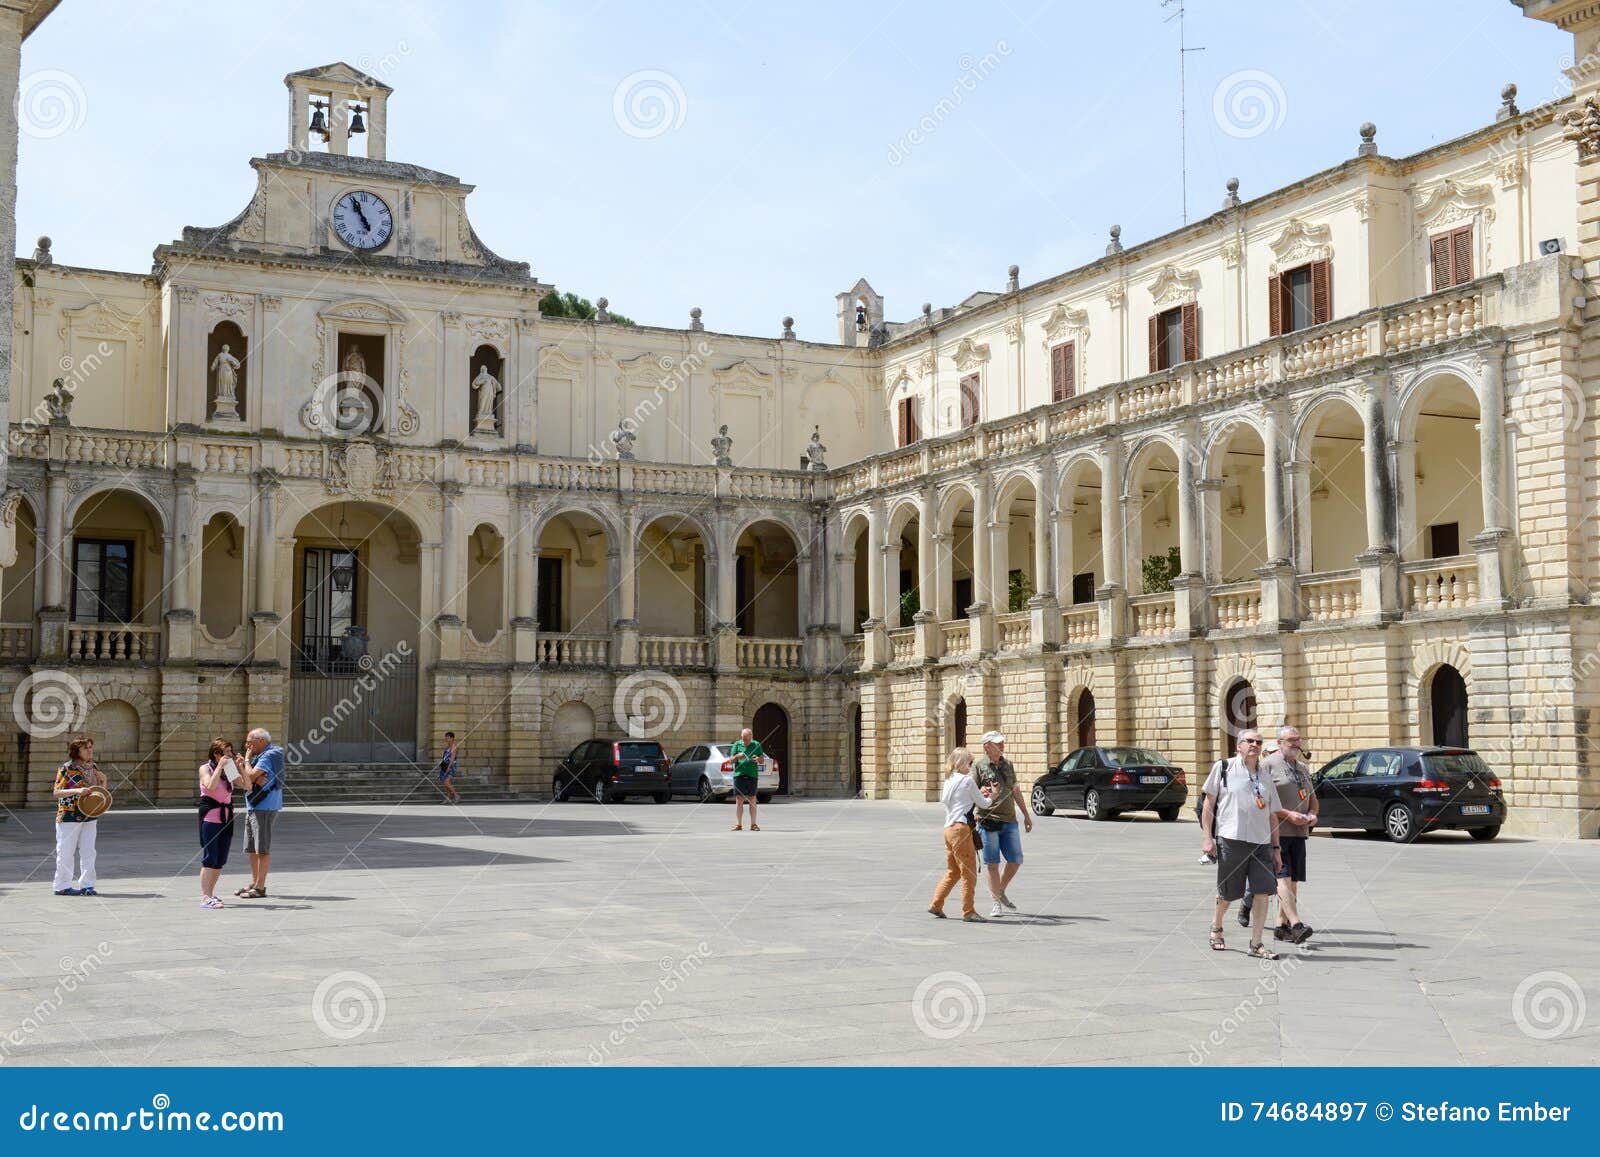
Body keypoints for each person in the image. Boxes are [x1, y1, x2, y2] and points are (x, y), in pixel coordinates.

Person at [1201, 728, 1284, 959]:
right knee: (1229, 893)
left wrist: (1276, 849)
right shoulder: (1224, 768)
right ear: (1239, 746)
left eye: (1258, 741)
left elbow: (1272, 815)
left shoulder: (1266, 775)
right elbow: (1209, 805)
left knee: (1262, 892)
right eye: (1249, 741)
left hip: (1261, 842)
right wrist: (1208, 837)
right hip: (1231, 838)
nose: (1255, 745)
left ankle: (1256, 944)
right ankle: (1216, 926)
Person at [1264, 726, 1316, 943]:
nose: (1296, 743)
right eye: (1290, 740)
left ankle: (1280, 924)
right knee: (1282, 879)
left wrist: (1312, 814)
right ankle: (1296, 924)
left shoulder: (1302, 768)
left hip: (1299, 832)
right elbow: (1263, 801)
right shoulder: (1267, 765)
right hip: (1276, 832)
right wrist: (1287, 815)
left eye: (1298, 739)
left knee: (1292, 881)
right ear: (1279, 742)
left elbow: (1313, 798)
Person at [929, 748, 994, 922]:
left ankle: (936, 904)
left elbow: (962, 799)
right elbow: (984, 804)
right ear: (962, 763)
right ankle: (969, 911)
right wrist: (992, 795)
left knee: (953, 871)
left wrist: (978, 792)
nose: (971, 767)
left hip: (948, 829)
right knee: (969, 873)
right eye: (970, 763)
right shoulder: (967, 780)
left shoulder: (949, 780)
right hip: (961, 829)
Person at [972, 731, 1031, 918]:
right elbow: (971, 791)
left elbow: (1015, 789)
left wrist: (1026, 814)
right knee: (992, 864)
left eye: (1003, 742)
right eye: (998, 743)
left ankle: (1000, 890)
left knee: (1015, 860)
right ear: (987, 746)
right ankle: (996, 902)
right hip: (988, 820)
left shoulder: (1008, 765)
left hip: (1009, 819)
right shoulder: (978, 766)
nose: (1002, 745)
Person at [53, 736, 106, 896]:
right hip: (69, 815)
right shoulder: (67, 768)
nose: (90, 750)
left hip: (89, 814)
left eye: (91, 747)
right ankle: (61, 886)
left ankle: (87, 886)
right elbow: (56, 792)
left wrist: (104, 782)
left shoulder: (93, 767)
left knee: (89, 852)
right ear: (76, 751)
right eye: (85, 748)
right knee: (66, 852)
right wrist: (76, 790)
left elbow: (99, 793)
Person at [235, 728, 285, 899]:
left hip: (265, 807)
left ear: (262, 740)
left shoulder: (268, 756)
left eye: (250, 741)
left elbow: (251, 775)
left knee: (262, 848)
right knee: (252, 848)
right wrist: (244, 766)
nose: (247, 745)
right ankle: (255, 882)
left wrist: (247, 762)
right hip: (254, 806)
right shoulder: (260, 756)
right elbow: (248, 780)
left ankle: (260, 887)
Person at [198, 738, 238, 909]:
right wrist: (220, 767)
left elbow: (247, 785)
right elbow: (210, 785)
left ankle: (211, 893)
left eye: (231, 751)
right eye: (227, 752)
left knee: (220, 859)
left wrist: (242, 767)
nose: (230, 755)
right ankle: (205, 897)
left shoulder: (229, 769)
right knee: (210, 857)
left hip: (227, 817)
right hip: (210, 818)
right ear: (216, 754)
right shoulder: (205, 768)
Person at [729, 727, 764, 831]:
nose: (746, 742)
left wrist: (758, 759)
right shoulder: (737, 745)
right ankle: (738, 824)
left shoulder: (757, 745)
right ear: (741, 737)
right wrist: (737, 757)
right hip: (739, 774)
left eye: (748, 739)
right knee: (739, 799)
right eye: (744, 739)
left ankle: (753, 824)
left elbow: (762, 760)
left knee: (752, 798)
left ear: (751, 737)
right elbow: (731, 760)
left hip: (752, 775)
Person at [437, 732, 461, 804]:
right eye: (446, 737)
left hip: (450, 767)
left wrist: (448, 767)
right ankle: (448, 797)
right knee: (444, 783)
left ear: (452, 738)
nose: (446, 739)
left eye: (448, 737)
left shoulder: (454, 747)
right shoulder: (448, 747)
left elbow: (452, 758)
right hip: (445, 766)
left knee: (446, 782)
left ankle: (456, 795)